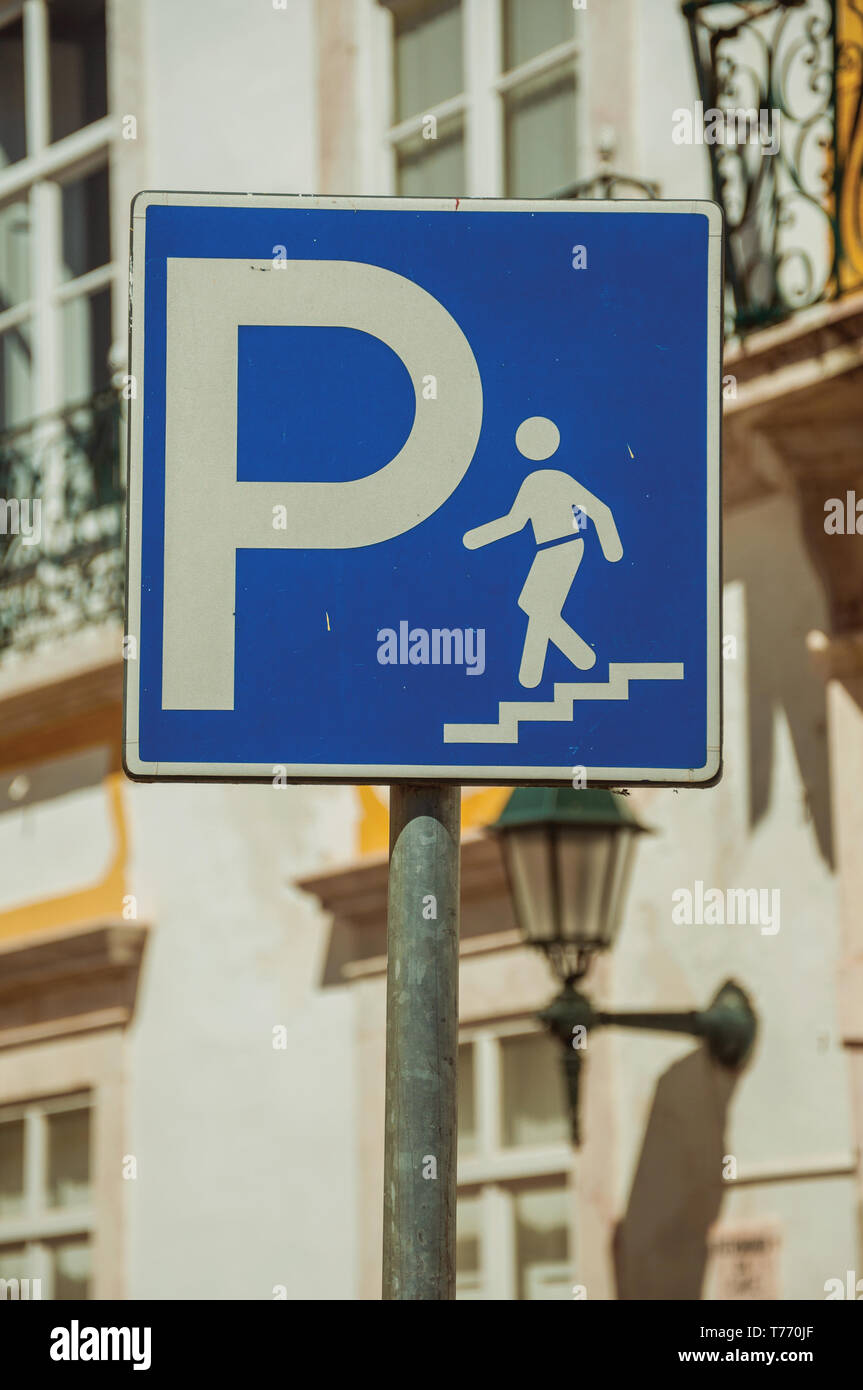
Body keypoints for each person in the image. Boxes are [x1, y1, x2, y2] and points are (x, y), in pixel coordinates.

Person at [463, 418, 623, 689]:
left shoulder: (541, 481)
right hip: (558, 548)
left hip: (562, 548)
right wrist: (477, 538)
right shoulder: (546, 480)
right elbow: (517, 521)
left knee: (535, 606)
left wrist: (613, 551)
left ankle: (537, 673)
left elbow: (598, 511)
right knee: (531, 604)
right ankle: (579, 657)